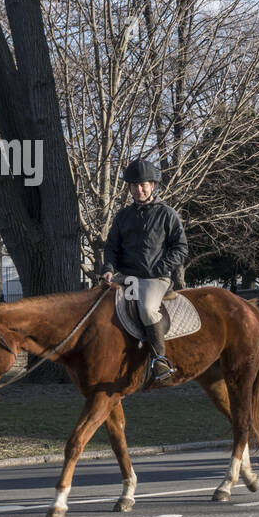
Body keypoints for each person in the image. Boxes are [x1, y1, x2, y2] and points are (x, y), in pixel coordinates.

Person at [100, 159, 189, 383]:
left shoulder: (167, 214)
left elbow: (181, 248)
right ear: (129, 188)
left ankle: (160, 360)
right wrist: (109, 268)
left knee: (148, 310)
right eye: (134, 186)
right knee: (101, 304)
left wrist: (159, 267)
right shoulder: (123, 217)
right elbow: (111, 247)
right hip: (128, 278)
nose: (138, 190)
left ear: (152, 186)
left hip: (155, 279)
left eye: (143, 185)